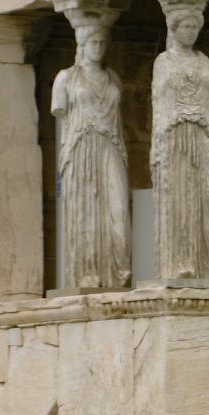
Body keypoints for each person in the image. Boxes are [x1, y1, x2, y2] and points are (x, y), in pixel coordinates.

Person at [51, 16, 130, 289]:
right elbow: (61, 111)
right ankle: (87, 274)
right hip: (81, 147)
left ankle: (116, 274)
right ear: (81, 45)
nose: (98, 47)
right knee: (85, 210)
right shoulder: (65, 79)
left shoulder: (113, 78)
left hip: (110, 146)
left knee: (117, 210)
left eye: (102, 43)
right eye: (93, 42)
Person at [150, 5, 209, 280]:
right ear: (174, 28)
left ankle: (208, 266)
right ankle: (181, 265)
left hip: (203, 133)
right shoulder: (163, 62)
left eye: (195, 27)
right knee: (179, 198)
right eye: (186, 27)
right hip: (174, 134)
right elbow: (159, 104)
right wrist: (157, 147)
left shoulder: (206, 63)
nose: (191, 32)